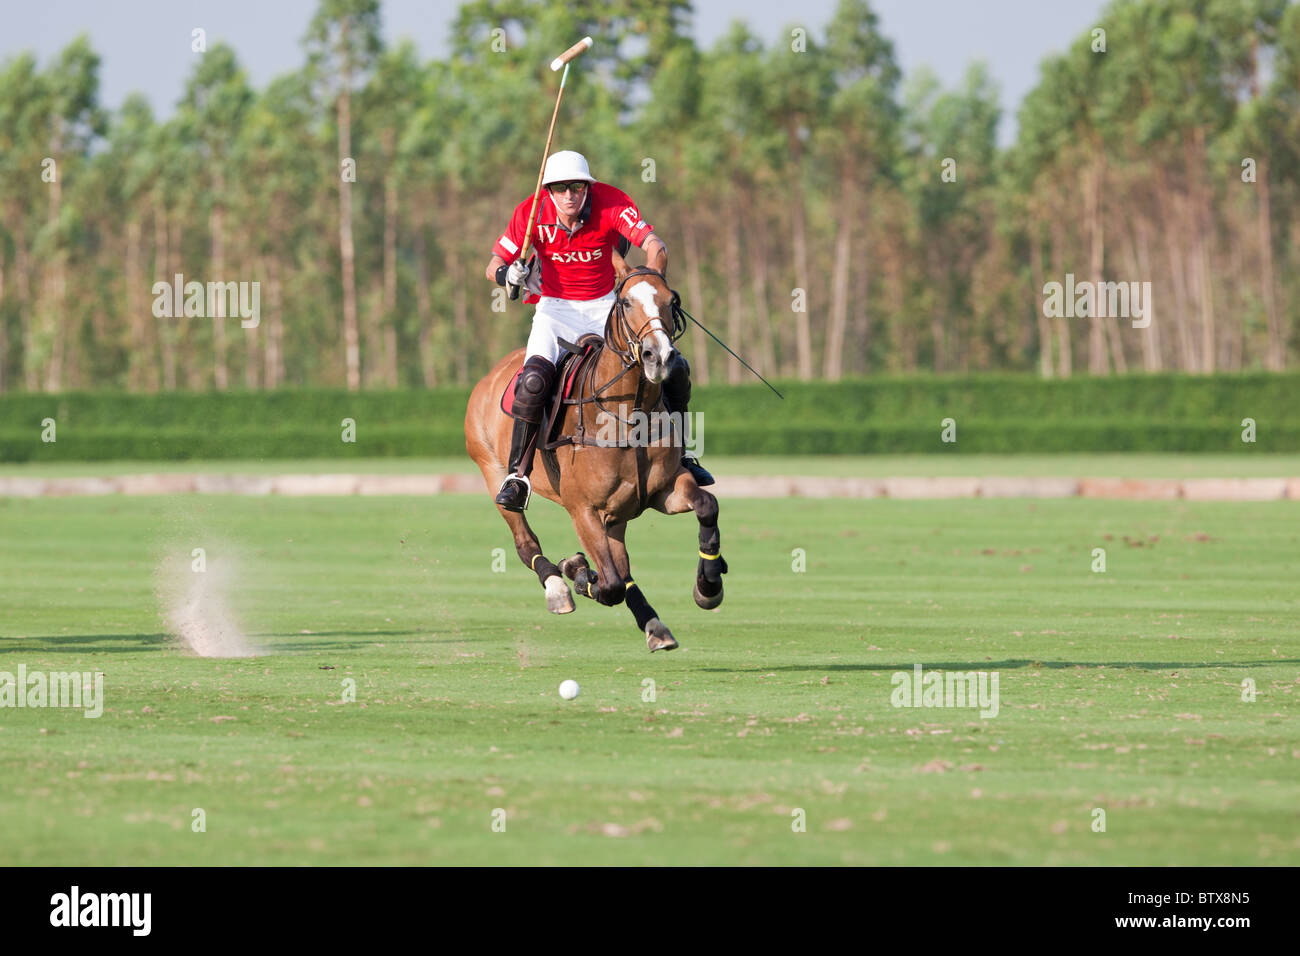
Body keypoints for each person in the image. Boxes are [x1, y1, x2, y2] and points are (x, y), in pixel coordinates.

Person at [485, 149, 713, 512]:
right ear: (548, 191)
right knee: (532, 382)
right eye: (560, 188)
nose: (569, 195)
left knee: (673, 368)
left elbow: (653, 243)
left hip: (606, 307)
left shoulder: (612, 203)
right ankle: (519, 475)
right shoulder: (530, 213)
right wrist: (506, 275)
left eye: (576, 186)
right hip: (555, 310)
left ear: (588, 187)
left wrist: (649, 276)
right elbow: (495, 263)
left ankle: (682, 456)